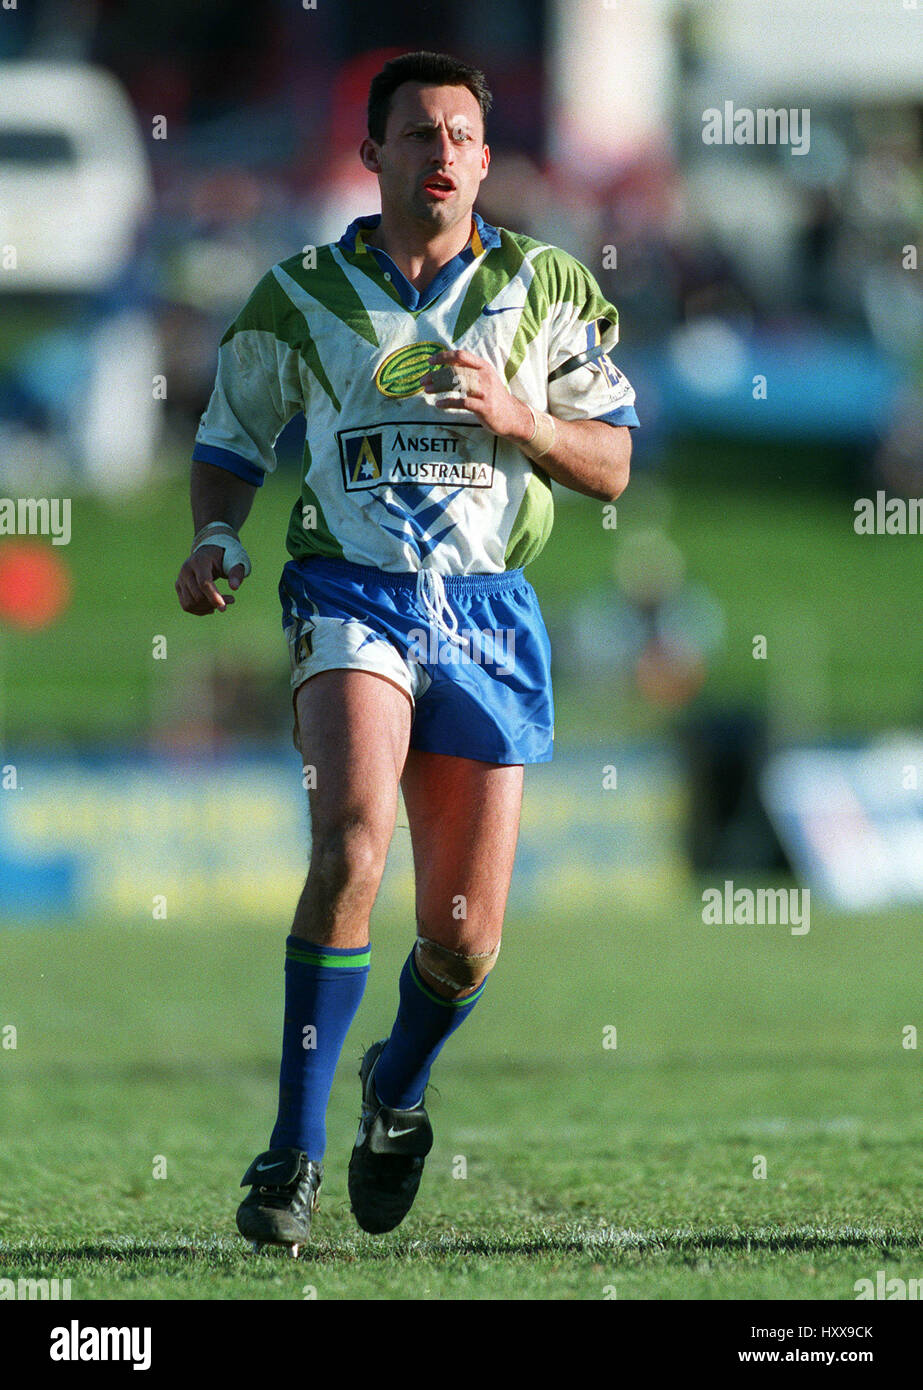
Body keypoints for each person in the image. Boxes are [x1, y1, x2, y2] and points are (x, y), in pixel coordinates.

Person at [175, 50, 637, 1254]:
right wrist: (218, 529)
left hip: (486, 609)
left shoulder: (542, 287)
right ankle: (292, 1153)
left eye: (462, 135)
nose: (441, 154)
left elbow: (614, 462)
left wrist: (523, 418)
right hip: (351, 592)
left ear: (487, 157)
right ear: (371, 153)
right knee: (351, 838)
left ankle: (395, 1087)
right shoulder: (304, 294)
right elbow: (231, 432)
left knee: (464, 933)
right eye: (417, 134)